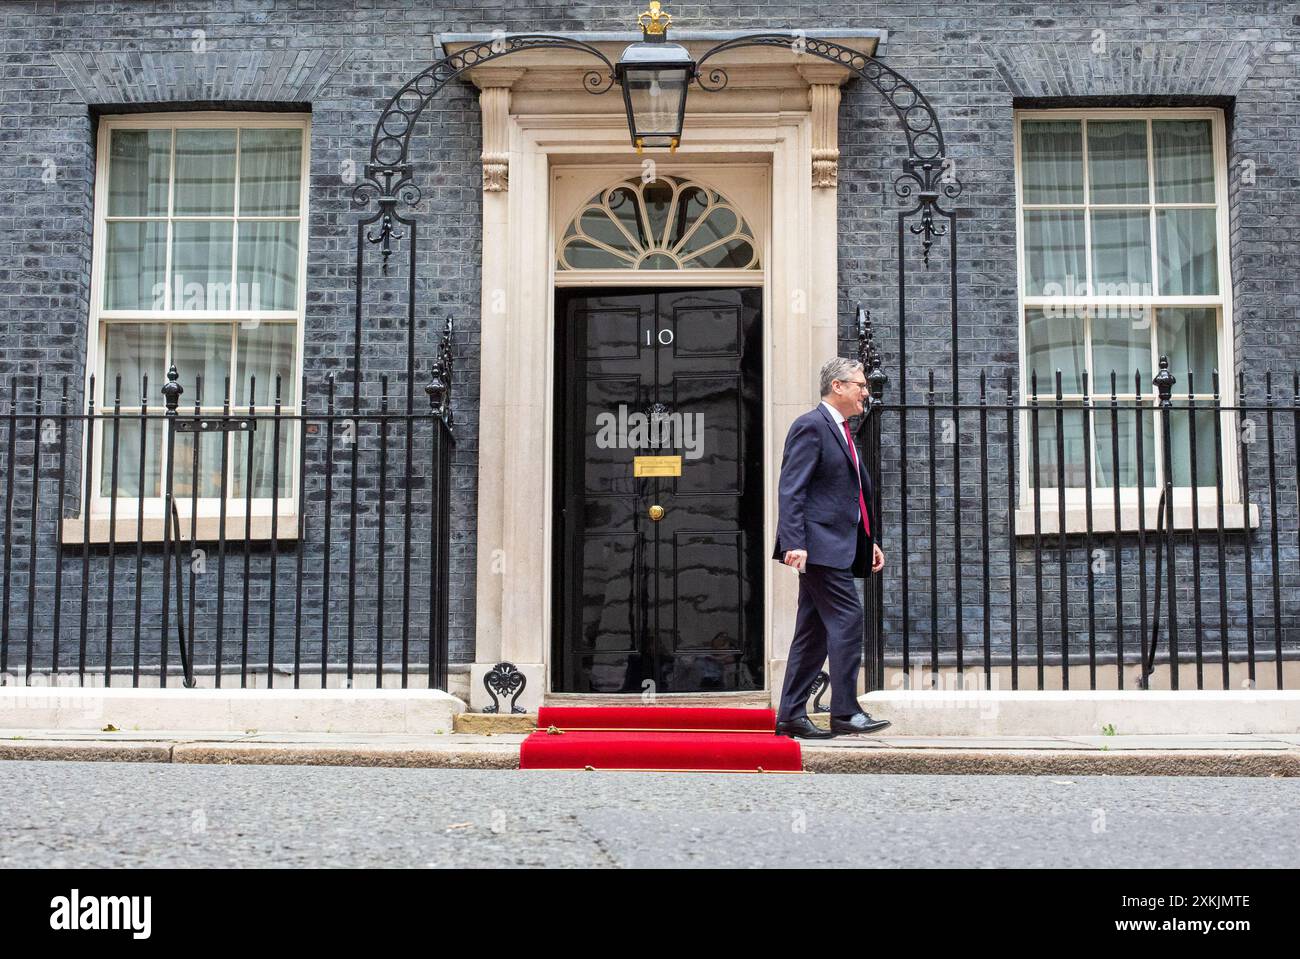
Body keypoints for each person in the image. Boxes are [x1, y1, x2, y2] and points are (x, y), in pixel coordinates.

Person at [771, 357, 890, 739]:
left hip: (837, 543)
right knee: (847, 618)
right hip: (819, 547)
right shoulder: (811, 425)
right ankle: (845, 711)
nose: (865, 393)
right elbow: (793, 488)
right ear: (837, 386)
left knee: (813, 631)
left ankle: (790, 715)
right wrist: (794, 542)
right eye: (860, 385)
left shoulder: (840, 430)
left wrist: (867, 540)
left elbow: (847, 494)